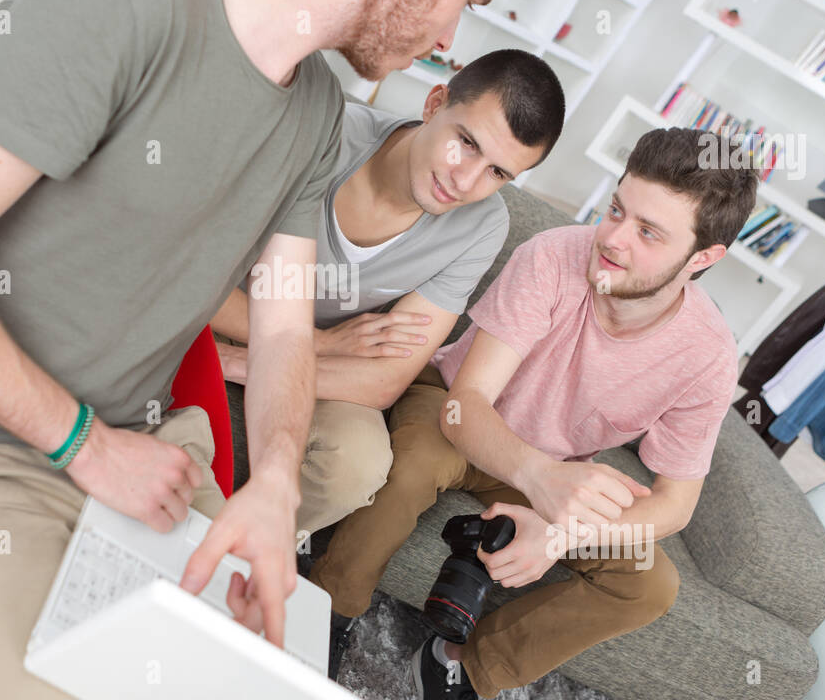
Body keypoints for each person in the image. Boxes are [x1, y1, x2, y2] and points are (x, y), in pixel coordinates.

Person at [0, 0, 579, 700]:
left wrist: (275, 484)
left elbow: (287, 329)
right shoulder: (118, 1)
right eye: (466, 3)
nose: (447, 39)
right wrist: (86, 445)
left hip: (152, 452)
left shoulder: (316, 112)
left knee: (245, 699)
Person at [311, 127, 759, 700]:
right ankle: (328, 607)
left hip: (547, 469)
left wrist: (560, 531)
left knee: (651, 586)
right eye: (617, 209)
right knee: (412, 463)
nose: (614, 240)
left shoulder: (707, 355)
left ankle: (460, 668)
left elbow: (674, 505)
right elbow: (467, 400)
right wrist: (541, 478)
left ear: (702, 258)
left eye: (648, 232)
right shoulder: (553, 255)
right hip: (455, 414)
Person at [211, 49, 564, 540]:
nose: (465, 181)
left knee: (358, 464)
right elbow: (198, 278)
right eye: (465, 143)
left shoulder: (483, 225)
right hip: (224, 315)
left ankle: (248, 552)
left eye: (498, 173)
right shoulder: (325, 133)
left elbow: (384, 380)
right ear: (435, 102)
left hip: (322, 370)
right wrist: (318, 341)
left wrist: (236, 363)